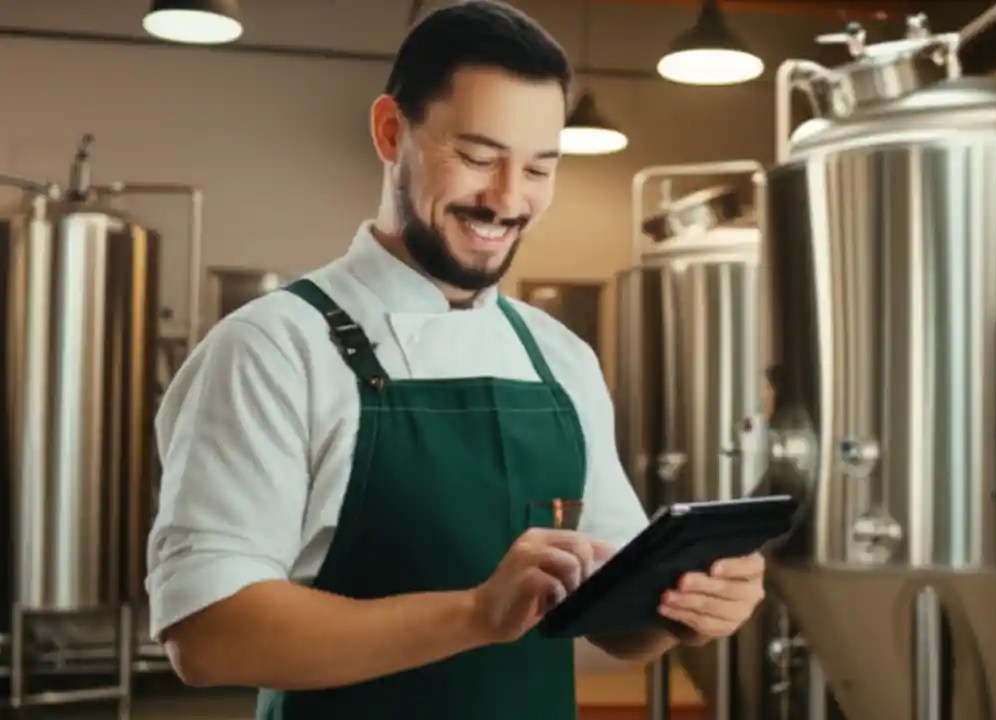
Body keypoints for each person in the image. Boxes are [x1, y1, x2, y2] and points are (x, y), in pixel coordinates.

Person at [143, 1, 767, 718]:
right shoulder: (273, 346)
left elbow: (620, 620)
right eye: (477, 158)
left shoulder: (559, 358)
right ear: (390, 132)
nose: (508, 199)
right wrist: (475, 613)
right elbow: (209, 636)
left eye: (539, 168)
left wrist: (686, 604)